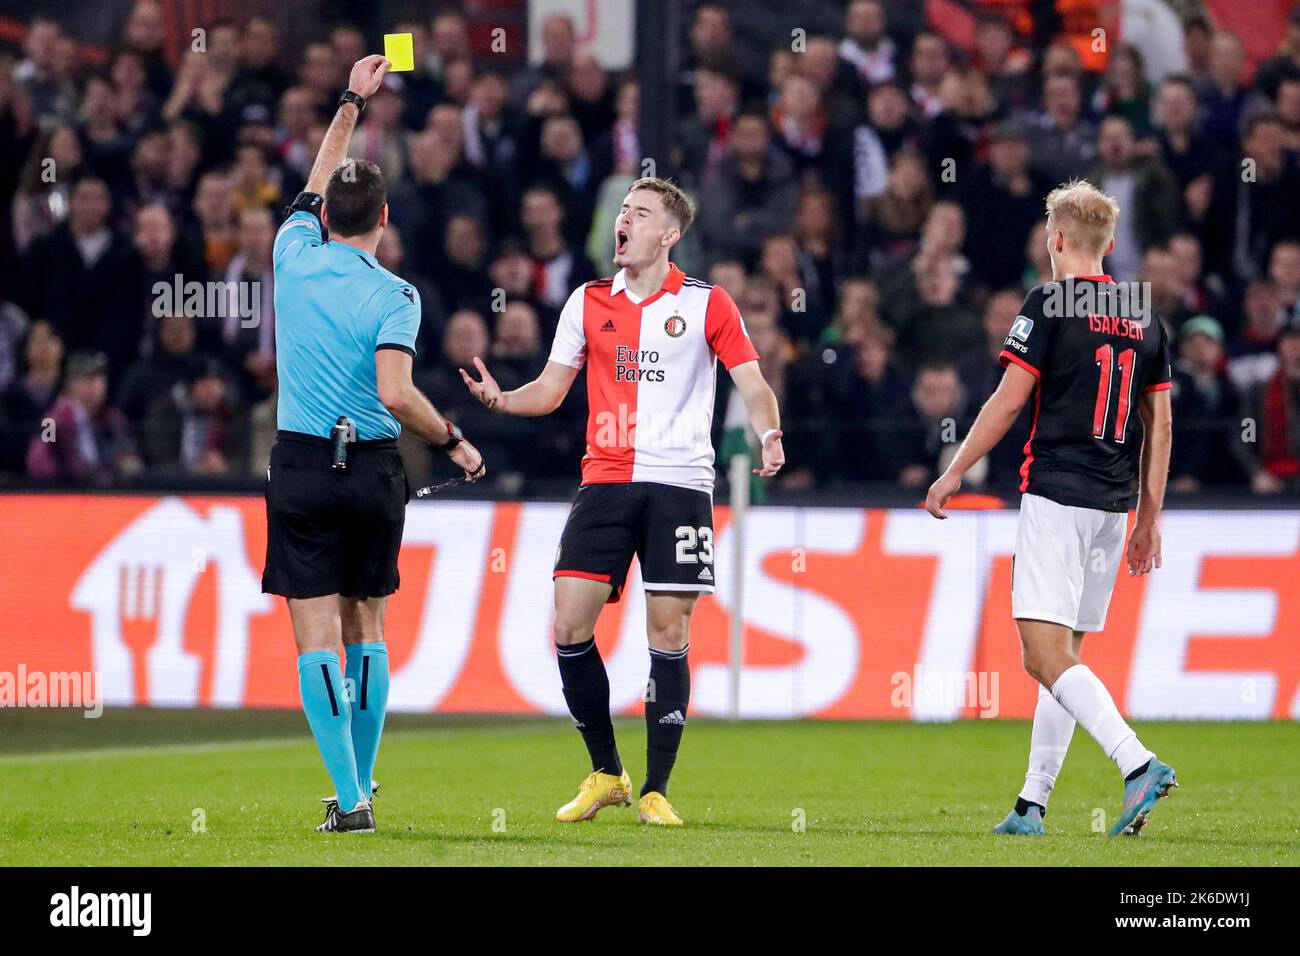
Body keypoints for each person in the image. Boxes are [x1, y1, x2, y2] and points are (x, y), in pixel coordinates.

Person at [461, 177, 784, 826]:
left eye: (639, 214)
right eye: (622, 212)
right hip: (604, 481)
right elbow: (552, 389)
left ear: (669, 234)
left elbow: (751, 381)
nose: (623, 222)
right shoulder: (586, 301)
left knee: (669, 633)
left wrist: (769, 432)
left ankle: (658, 789)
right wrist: (501, 399)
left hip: (680, 487)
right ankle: (607, 770)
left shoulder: (708, 303)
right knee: (569, 626)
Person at [263, 55, 485, 835]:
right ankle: (356, 787)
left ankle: (351, 796)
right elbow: (395, 394)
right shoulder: (397, 296)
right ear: (384, 220)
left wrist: (352, 101)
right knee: (370, 629)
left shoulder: (292, 254)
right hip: (374, 471)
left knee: (315, 639)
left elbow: (314, 178)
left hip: (299, 462)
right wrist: (454, 437)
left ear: (325, 217)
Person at [925, 180, 1179, 837]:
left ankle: (1137, 762)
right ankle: (1031, 806)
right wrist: (1149, 516)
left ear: (1056, 239)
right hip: (1114, 504)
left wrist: (955, 470)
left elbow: (1010, 399)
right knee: (1065, 659)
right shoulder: (1145, 312)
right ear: (1111, 244)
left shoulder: (1049, 302)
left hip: (1058, 493)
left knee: (1042, 656)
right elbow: (1161, 424)